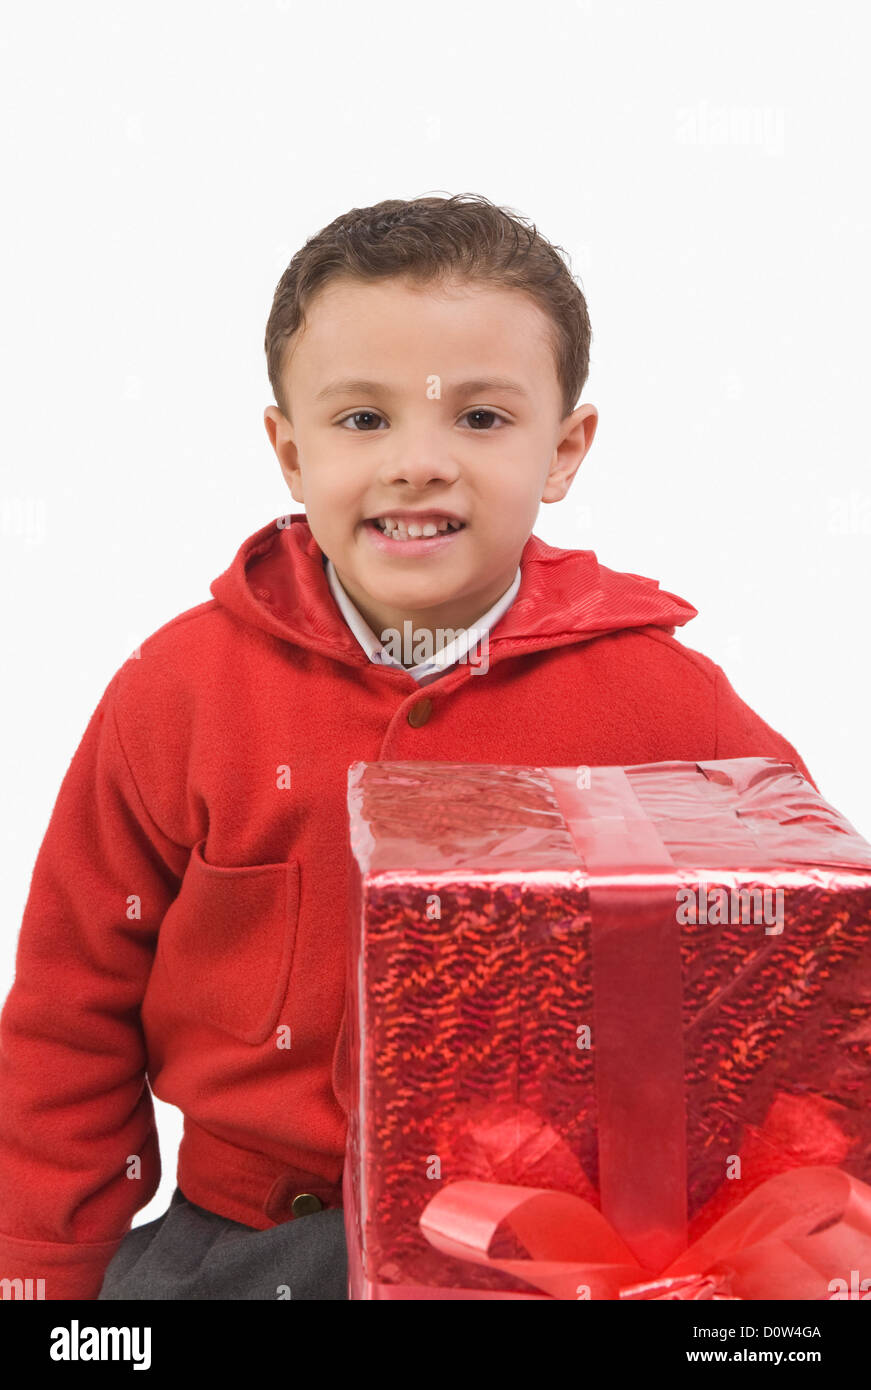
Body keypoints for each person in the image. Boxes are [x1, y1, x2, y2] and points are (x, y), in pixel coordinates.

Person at [0, 193, 815, 1301]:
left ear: (565, 448)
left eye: (481, 419)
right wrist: (44, 1275)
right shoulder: (175, 692)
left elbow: (802, 968)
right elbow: (69, 1008)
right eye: (362, 420)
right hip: (241, 1245)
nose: (418, 462)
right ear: (289, 452)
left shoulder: (674, 704)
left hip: (552, 1255)